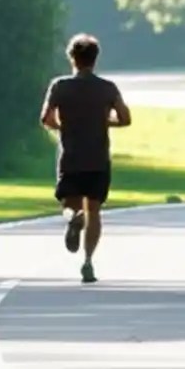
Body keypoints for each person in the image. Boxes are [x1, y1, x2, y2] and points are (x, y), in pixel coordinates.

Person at [39, 33, 132, 284]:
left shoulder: (59, 86)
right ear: (95, 59)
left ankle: (73, 218)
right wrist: (104, 121)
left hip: (71, 157)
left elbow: (46, 118)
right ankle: (88, 261)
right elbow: (125, 118)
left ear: (72, 58)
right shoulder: (107, 88)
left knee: (69, 204)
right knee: (95, 210)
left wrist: (64, 127)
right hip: (98, 158)